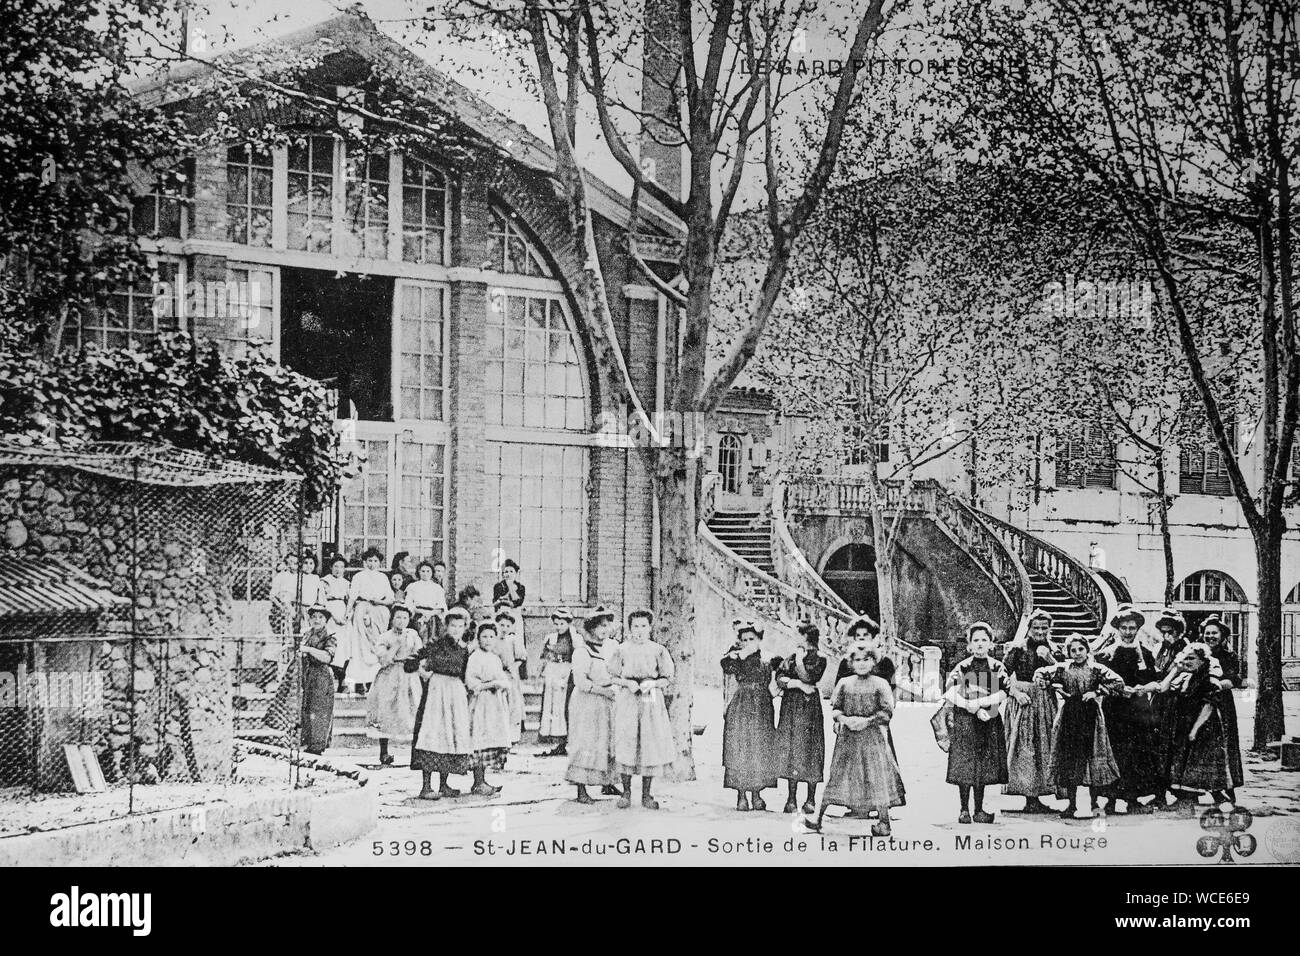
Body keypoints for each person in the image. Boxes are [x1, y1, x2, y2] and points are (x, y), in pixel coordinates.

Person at [806, 644, 905, 834]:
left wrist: (867, 721)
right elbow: (835, 708)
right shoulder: (844, 683)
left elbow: (887, 712)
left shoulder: (880, 684)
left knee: (876, 777)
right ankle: (818, 819)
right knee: (837, 776)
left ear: (874, 661)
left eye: (866, 659)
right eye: (857, 660)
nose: (861, 664)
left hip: (872, 740)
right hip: (848, 740)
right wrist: (844, 719)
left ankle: (884, 822)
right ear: (851, 662)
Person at [1035, 635, 1123, 819]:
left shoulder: (1096, 669)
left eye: (1080, 649)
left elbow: (1118, 682)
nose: (1077, 654)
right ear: (1068, 652)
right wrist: (1052, 685)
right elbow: (1040, 674)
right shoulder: (1063, 668)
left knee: (1092, 756)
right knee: (1070, 759)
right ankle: (1072, 804)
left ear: (1087, 649)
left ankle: (1094, 803)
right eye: (1073, 650)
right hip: (1069, 716)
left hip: (1090, 716)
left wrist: (1096, 692)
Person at [607, 608, 675, 809]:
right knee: (626, 740)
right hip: (628, 695)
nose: (639, 630)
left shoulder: (658, 650)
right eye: (635, 626)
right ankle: (626, 792)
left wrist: (652, 684)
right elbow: (611, 674)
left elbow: (668, 678)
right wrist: (626, 683)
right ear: (630, 628)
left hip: (650, 696)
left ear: (650, 627)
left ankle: (647, 794)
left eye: (643, 626)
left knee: (649, 741)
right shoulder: (622, 649)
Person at [1095, 604, 1160, 813]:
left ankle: (1132, 799)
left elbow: (1155, 681)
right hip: (1114, 709)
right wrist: (1115, 690)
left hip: (1138, 709)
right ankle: (1111, 799)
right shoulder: (1106, 655)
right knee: (1114, 751)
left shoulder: (1147, 654)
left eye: (1132, 628)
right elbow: (1098, 682)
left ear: (1138, 629)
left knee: (1136, 753)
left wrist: (1143, 688)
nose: (1128, 632)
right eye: (1124, 627)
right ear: (1118, 629)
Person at [944, 622, 1009, 824]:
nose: (980, 644)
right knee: (965, 766)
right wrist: (969, 706)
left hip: (988, 722)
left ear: (991, 644)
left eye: (984, 640)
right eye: (976, 640)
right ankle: (964, 809)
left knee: (982, 767)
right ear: (969, 645)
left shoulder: (996, 667)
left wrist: (982, 703)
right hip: (966, 723)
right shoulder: (963, 667)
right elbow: (951, 690)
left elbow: (1003, 691)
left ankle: (979, 810)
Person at [1161, 642, 1237, 805]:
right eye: (1185, 658)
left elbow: (1208, 706)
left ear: (1203, 660)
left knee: (1202, 763)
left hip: (1205, 728)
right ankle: (1189, 797)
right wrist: (1176, 670)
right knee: (1186, 761)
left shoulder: (1209, 680)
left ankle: (1217, 798)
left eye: (1192, 658)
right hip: (1186, 725)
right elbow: (1163, 689)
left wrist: (1195, 729)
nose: (1187, 662)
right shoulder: (1187, 677)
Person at [410, 606, 474, 799]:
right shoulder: (436, 644)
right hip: (436, 691)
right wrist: (419, 669)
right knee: (432, 732)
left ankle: (444, 785)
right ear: (446, 626)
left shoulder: (464, 650)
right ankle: (426, 787)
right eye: (452, 625)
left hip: (455, 693)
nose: (456, 629)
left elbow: (465, 673)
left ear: (465, 628)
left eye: (460, 626)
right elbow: (415, 659)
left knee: (449, 735)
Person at [1001, 609, 1061, 813]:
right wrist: (1016, 693)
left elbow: (1066, 674)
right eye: (1036, 627)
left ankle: (1039, 795)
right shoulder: (1018, 649)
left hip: (1045, 701)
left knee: (1045, 746)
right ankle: (1029, 797)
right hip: (1024, 702)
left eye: (1044, 628)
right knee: (1025, 747)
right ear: (1029, 628)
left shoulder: (1053, 648)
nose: (1040, 631)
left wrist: (1051, 659)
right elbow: (1002, 675)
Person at [721, 620, 780, 812]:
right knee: (740, 748)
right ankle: (741, 796)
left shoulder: (768, 658)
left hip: (762, 706)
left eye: (751, 638)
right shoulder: (736, 657)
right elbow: (726, 666)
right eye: (744, 639)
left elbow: (783, 671)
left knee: (759, 748)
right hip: (741, 704)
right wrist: (739, 654)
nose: (747, 642)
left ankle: (757, 794)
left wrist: (777, 689)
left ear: (760, 639)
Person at [264, 604, 337, 755]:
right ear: (309, 619)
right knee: (305, 709)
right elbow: (298, 647)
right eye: (314, 617)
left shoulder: (330, 635)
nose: (317, 620)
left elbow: (327, 657)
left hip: (321, 676)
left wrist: (308, 650)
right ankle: (304, 743)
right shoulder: (306, 633)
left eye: (320, 617)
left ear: (326, 620)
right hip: (305, 674)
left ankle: (317, 747)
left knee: (319, 711)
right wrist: (289, 647)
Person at [566, 606, 621, 803]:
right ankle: (581, 789)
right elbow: (581, 682)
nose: (605, 630)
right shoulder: (582, 651)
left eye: (607, 625)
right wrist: (603, 690)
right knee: (586, 741)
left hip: (607, 701)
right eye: (600, 626)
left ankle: (608, 782)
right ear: (591, 628)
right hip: (587, 702)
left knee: (607, 740)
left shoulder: (612, 647)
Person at [773, 622, 828, 815]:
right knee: (792, 748)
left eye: (798, 635)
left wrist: (798, 664)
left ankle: (811, 798)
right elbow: (779, 678)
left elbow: (810, 678)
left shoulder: (819, 658)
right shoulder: (791, 657)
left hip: (809, 709)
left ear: (806, 637)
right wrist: (795, 683)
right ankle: (791, 799)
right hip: (791, 708)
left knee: (811, 749)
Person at [366, 603, 423, 766]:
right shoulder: (385, 637)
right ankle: (384, 752)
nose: (401, 621)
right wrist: (397, 645)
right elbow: (383, 660)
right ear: (392, 619)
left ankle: (416, 754)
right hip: (389, 675)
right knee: (385, 710)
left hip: (409, 674)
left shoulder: (412, 635)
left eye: (405, 618)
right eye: (398, 617)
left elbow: (420, 654)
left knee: (413, 710)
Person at [1198, 616, 1245, 804]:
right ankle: (1208, 789)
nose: (1210, 636)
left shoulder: (1229, 656)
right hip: (1200, 703)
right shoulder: (1198, 653)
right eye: (1207, 633)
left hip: (1222, 704)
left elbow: (1233, 678)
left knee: (1224, 743)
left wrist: (1219, 683)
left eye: (1214, 633)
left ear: (1222, 635)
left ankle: (1228, 786)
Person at [1147, 608, 1190, 808]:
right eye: (1163, 632)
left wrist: (1164, 682)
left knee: (1175, 746)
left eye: (1170, 632)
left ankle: (1182, 794)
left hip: (1178, 702)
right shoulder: (1161, 648)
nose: (1167, 636)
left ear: (1179, 631)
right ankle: (1159, 792)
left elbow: (1177, 674)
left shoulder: (1186, 649)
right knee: (1158, 746)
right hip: (1160, 701)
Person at [465, 620, 513, 796]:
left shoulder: (494, 658)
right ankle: (477, 782)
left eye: (491, 637)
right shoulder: (475, 657)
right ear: (478, 638)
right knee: (480, 739)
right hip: (481, 703)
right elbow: (471, 681)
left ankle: (483, 779)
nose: (488, 640)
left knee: (491, 738)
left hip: (495, 704)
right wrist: (490, 684)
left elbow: (504, 680)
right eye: (484, 636)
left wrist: (500, 684)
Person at [338, 547, 393, 693]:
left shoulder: (383, 578)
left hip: (379, 611)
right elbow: (353, 597)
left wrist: (379, 602)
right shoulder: (359, 577)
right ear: (364, 562)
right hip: (362, 609)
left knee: (376, 644)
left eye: (375, 561)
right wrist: (347, 612)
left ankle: (374, 681)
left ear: (379, 563)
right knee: (360, 645)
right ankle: (358, 681)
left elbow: (390, 598)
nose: (372, 564)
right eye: (369, 560)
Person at [538, 607, 577, 756]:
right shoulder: (551, 638)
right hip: (553, 672)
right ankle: (556, 741)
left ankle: (565, 740)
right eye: (557, 624)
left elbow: (577, 655)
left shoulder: (573, 638)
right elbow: (545, 656)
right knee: (551, 705)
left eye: (562, 623)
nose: (559, 627)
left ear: (568, 623)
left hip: (567, 673)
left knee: (564, 706)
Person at [493, 606, 527, 744]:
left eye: (507, 625)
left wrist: (512, 667)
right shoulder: (493, 638)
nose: (504, 628)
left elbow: (521, 658)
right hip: (496, 674)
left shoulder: (513, 639)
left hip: (510, 675)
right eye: (501, 625)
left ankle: (512, 737)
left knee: (512, 705)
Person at [322, 555, 351, 691]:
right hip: (330, 614)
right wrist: (333, 617)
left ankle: (342, 680)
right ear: (331, 567)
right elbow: (322, 602)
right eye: (336, 566)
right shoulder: (325, 581)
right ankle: (329, 680)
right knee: (331, 644)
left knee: (344, 647)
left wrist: (346, 616)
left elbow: (350, 601)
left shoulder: (346, 583)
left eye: (341, 567)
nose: (338, 570)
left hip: (343, 612)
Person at [404, 560, 448, 642]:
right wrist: (422, 612)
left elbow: (442, 606)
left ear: (432, 572)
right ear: (418, 572)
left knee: (432, 639)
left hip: (433, 616)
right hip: (417, 615)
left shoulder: (437, 588)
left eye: (428, 571)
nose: (425, 573)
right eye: (423, 571)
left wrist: (429, 614)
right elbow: (408, 604)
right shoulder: (412, 587)